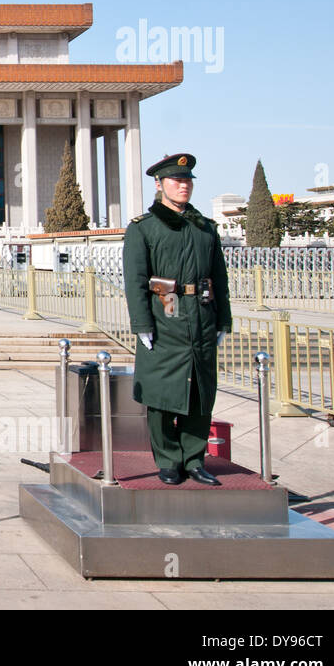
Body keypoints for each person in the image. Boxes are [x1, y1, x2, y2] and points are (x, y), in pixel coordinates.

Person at [122, 153, 232, 486]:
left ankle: (194, 459)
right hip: (165, 315)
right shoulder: (144, 228)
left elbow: (219, 277)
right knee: (162, 394)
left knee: (200, 392)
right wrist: (142, 325)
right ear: (159, 185)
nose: (183, 186)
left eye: (187, 181)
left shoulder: (205, 228)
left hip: (200, 316)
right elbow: (136, 280)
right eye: (176, 181)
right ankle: (168, 459)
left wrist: (223, 321)